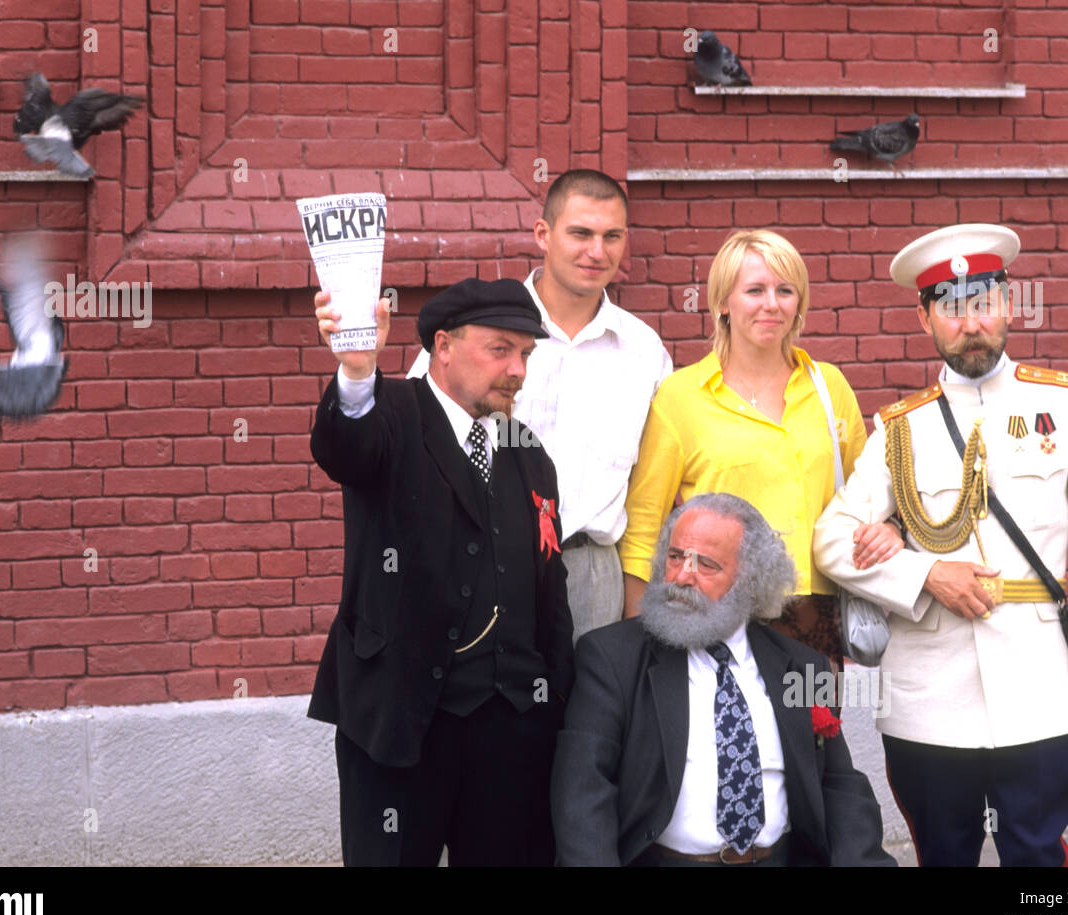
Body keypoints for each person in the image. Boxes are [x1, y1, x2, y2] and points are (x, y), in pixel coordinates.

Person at [812, 223, 1068, 866]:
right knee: (944, 853)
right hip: (930, 695)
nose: (971, 323)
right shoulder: (900, 429)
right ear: (925, 316)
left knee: (1038, 855)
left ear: (1008, 305)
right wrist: (924, 574)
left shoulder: (1065, 406)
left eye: (982, 304)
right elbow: (830, 542)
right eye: (952, 309)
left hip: (1037, 682)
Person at [307, 277, 574, 866]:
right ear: (444, 346)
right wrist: (356, 371)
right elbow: (345, 446)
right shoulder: (393, 414)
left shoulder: (528, 451)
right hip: (401, 724)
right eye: (500, 349)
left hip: (510, 735)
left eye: (526, 354)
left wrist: (552, 699)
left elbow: (550, 588)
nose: (518, 371)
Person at [551, 493, 896, 867]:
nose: (682, 576)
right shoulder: (612, 659)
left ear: (750, 581)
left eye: (707, 565)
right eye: (675, 556)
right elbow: (582, 792)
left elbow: (839, 784)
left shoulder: (802, 666)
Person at [407, 170, 673, 642]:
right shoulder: (476, 329)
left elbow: (652, 489)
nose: (597, 251)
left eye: (612, 236)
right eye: (580, 233)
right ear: (543, 235)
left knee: (590, 714)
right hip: (482, 562)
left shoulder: (645, 352)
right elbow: (416, 440)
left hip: (592, 572)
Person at [619, 228, 900, 666]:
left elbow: (866, 500)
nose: (772, 304)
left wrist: (892, 528)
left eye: (785, 290)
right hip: (716, 610)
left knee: (815, 734)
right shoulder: (681, 397)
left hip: (816, 616)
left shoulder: (829, 388)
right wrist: (637, 648)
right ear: (722, 303)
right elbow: (641, 531)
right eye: (755, 290)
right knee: (723, 734)